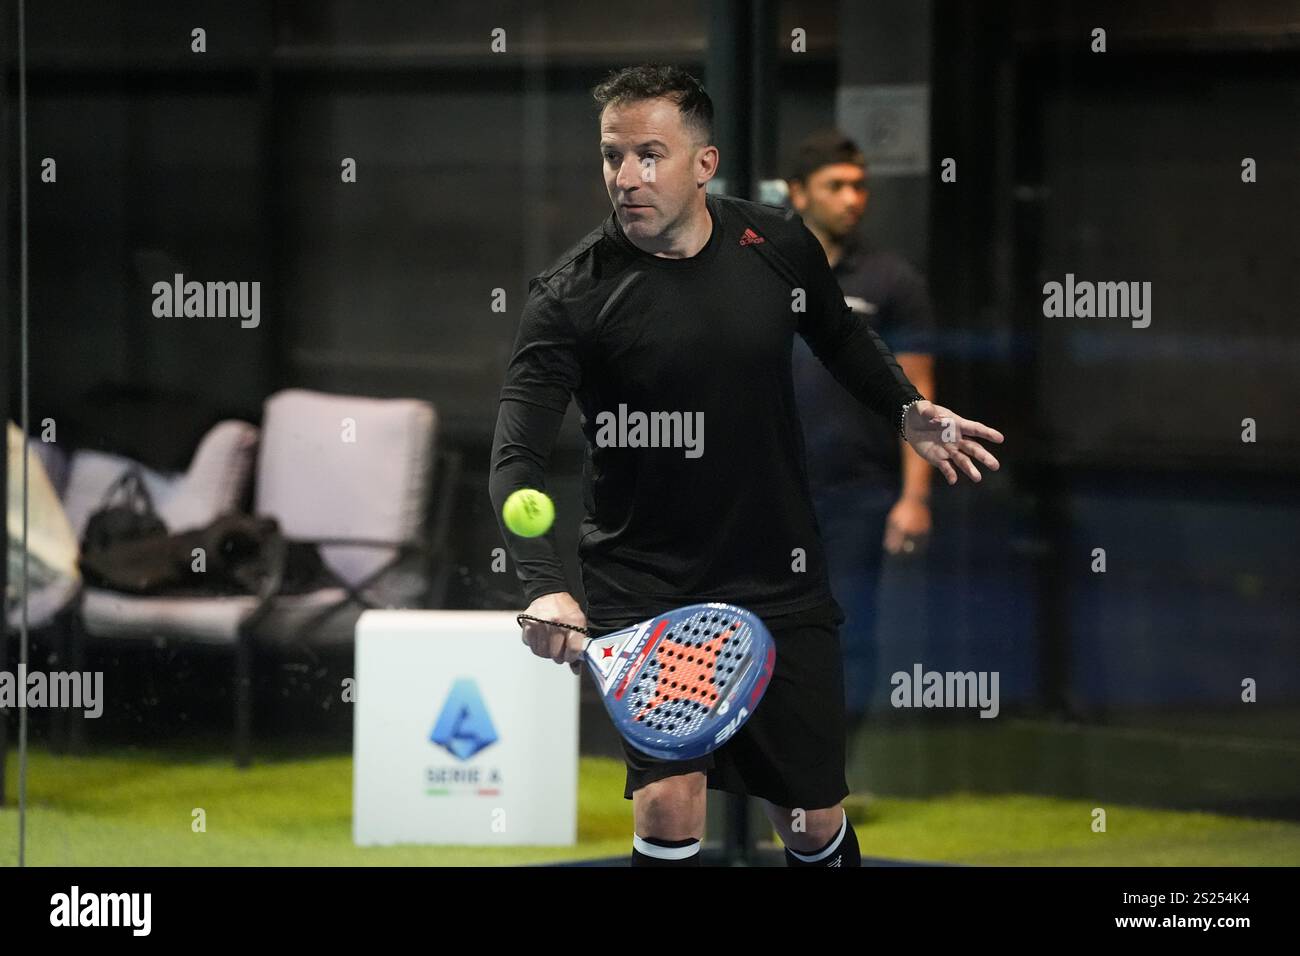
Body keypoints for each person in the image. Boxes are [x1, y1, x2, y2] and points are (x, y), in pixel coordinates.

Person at [488, 64, 1003, 867]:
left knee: (809, 820)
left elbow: (840, 337)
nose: (626, 177)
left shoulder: (777, 244)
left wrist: (907, 411)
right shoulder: (568, 296)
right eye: (612, 156)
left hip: (779, 572)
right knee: (667, 803)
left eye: (650, 155)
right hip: (646, 580)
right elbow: (516, 455)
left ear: (704, 163)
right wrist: (541, 582)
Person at [786, 130, 938, 725]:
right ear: (798, 194)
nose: (852, 198)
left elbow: (920, 398)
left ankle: (828, 785)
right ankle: (762, 782)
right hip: (773, 491)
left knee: (849, 637)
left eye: (859, 186)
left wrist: (914, 497)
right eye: (836, 186)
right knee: (761, 632)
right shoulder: (765, 270)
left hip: (859, 492)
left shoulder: (893, 281)